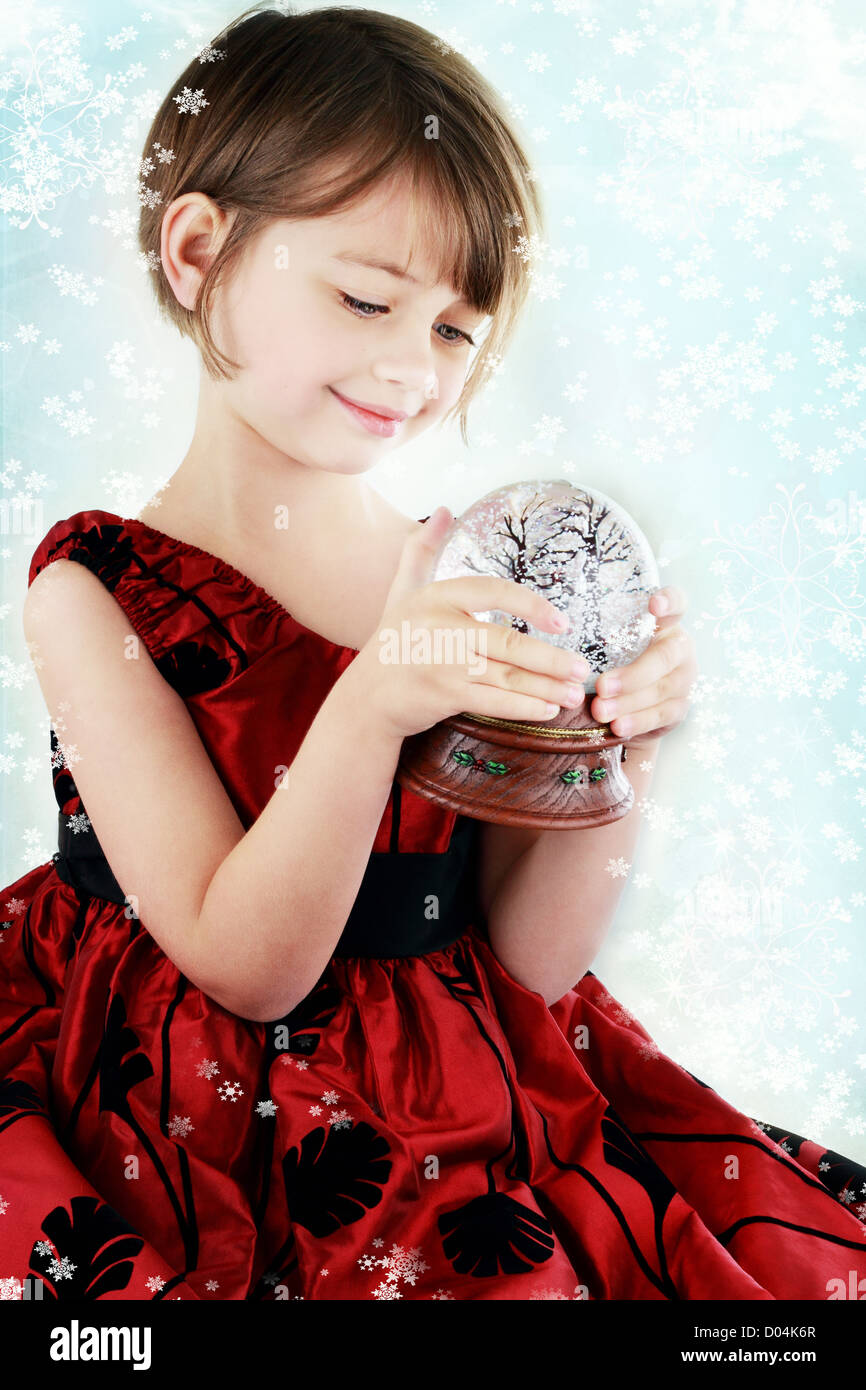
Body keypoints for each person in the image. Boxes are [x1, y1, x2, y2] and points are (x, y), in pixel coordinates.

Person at [2, 5, 864, 1302]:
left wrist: (609, 757)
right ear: (197, 248)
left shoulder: (462, 574)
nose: (413, 366)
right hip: (192, 1104)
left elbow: (528, 959)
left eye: (457, 331)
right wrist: (375, 699)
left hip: (451, 1078)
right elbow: (244, 962)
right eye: (365, 297)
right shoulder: (94, 592)